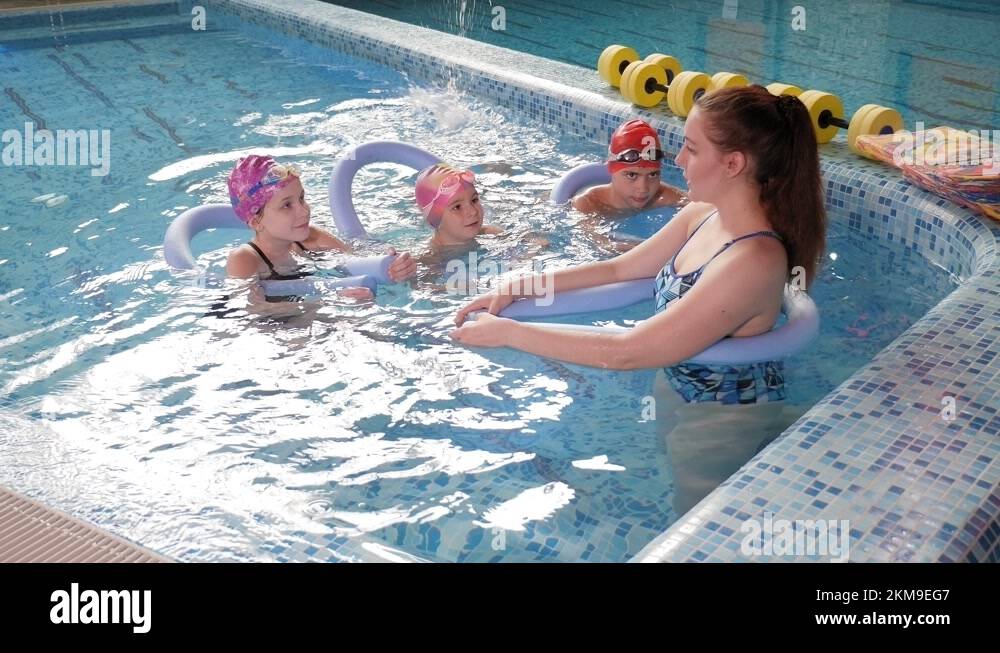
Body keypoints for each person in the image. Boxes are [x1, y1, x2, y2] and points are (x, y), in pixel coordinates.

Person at [452, 86, 827, 513]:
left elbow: (630, 351)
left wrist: (510, 334)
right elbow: (620, 269)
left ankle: (778, 431)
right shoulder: (701, 217)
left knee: (698, 523)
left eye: (690, 149)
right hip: (678, 382)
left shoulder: (754, 259)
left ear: (733, 163)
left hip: (724, 414)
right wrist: (518, 286)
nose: (678, 162)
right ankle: (787, 431)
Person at [225, 155, 417, 298]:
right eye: (287, 205)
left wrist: (394, 265)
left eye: (301, 198)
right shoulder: (244, 259)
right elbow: (252, 311)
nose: (304, 211)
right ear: (256, 221)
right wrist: (331, 301)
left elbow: (353, 262)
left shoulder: (312, 239)